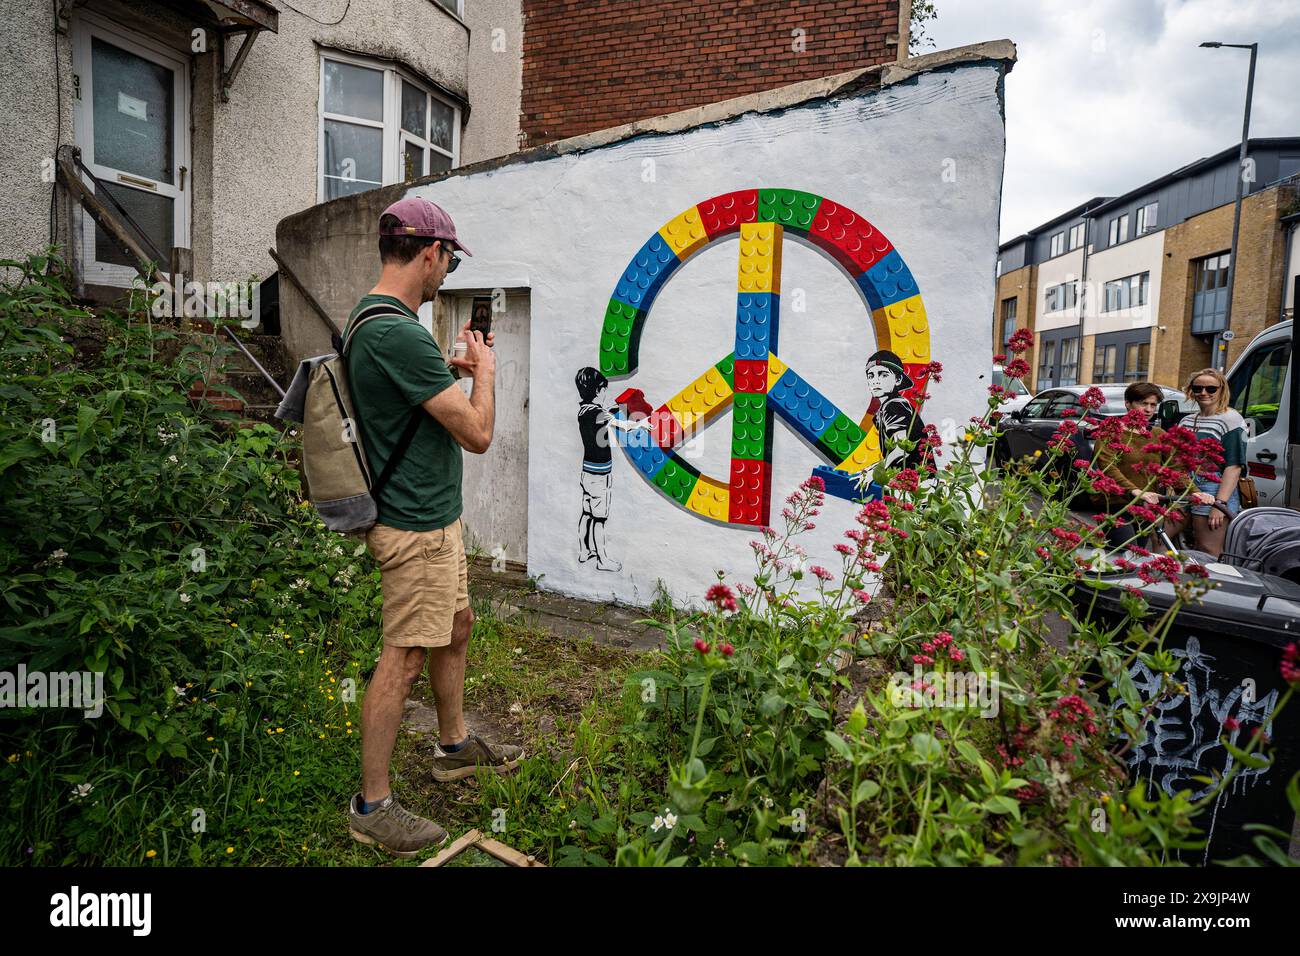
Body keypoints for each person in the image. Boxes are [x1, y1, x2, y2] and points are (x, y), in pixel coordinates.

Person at [344, 197, 522, 858]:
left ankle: (452, 746)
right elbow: (476, 434)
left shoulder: (376, 320)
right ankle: (372, 805)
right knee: (406, 654)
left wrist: (447, 373)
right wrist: (487, 374)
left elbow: (399, 399)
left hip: (431, 516)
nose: (448, 270)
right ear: (428, 253)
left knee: (457, 626)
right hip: (413, 525)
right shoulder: (398, 332)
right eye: (448, 257)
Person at [1091, 382, 1214, 550]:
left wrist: (1196, 493)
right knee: (1122, 552)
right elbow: (1108, 466)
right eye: (1143, 403)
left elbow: (1175, 469)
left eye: (1153, 405)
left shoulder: (1158, 434)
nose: (1148, 410)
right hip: (1115, 504)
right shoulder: (1112, 431)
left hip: (1147, 506)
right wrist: (1135, 491)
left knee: (1137, 554)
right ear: (1128, 403)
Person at [1167, 367, 1244, 559]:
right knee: (1160, 534)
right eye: (1198, 388)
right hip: (1184, 485)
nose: (1203, 393)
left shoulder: (1231, 419)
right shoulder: (1186, 421)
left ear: (1222, 390)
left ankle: (1209, 587)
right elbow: (1178, 459)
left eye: (1211, 389)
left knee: (1207, 549)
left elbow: (1233, 466)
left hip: (1214, 487)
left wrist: (1219, 504)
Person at [575, 367, 622, 571]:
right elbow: (621, 424)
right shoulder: (598, 414)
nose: (606, 394)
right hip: (600, 474)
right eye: (604, 390)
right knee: (600, 519)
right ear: (597, 392)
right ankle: (603, 560)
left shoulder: (584, 411)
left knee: (587, 513)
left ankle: (584, 551)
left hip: (587, 472)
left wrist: (612, 408)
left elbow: (602, 414)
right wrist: (642, 425)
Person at [864, 350, 925, 469]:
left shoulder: (894, 406)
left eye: (883, 374)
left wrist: (876, 470)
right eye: (871, 376)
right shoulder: (881, 411)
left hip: (915, 480)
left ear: (898, 380)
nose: (875, 380)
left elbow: (901, 449)